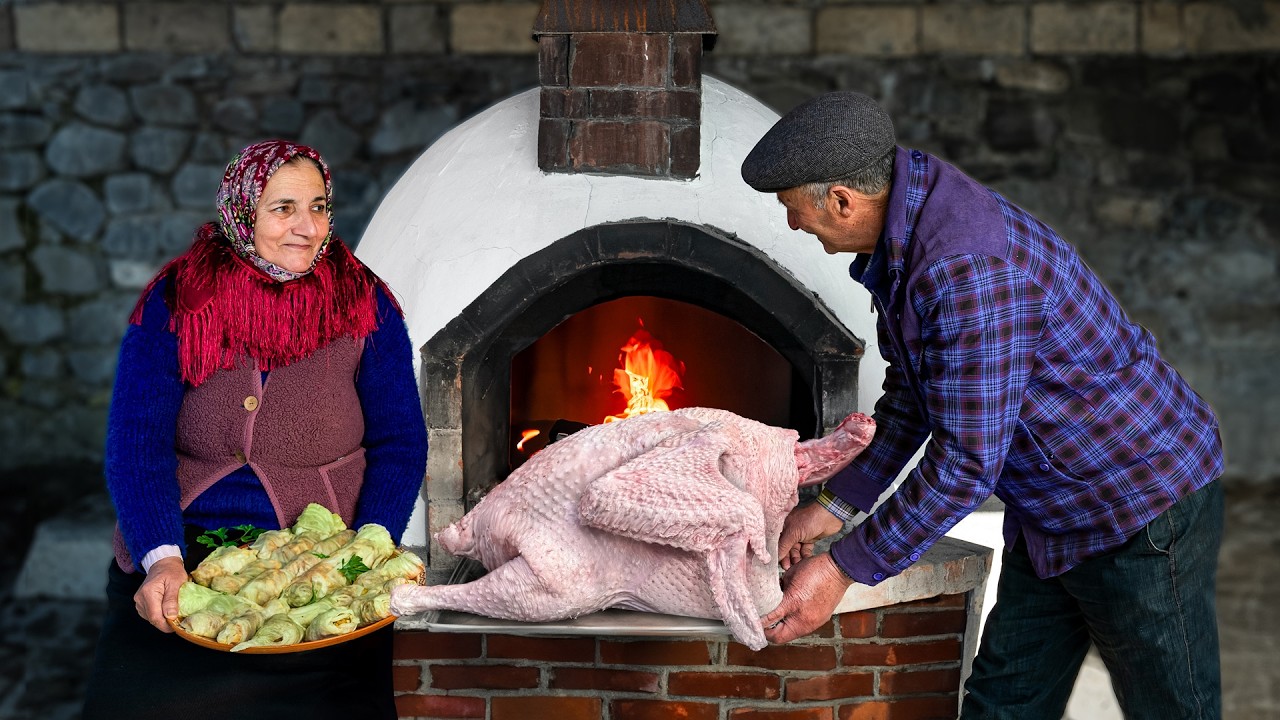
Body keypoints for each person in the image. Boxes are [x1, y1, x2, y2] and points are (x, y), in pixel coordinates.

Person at [742, 92, 1224, 719]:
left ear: (841, 199)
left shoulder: (964, 268)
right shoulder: (906, 229)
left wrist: (842, 568)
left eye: (793, 209)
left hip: (1136, 506)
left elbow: (967, 462)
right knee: (1002, 708)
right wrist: (835, 504)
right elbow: (916, 393)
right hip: (1053, 513)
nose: (791, 227)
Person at [82, 140, 427, 719]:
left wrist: (368, 548)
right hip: (184, 547)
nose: (307, 228)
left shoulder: (364, 304)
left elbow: (400, 442)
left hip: (318, 559)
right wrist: (161, 558)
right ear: (242, 211)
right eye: (283, 208)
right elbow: (136, 444)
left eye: (318, 207)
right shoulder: (179, 300)